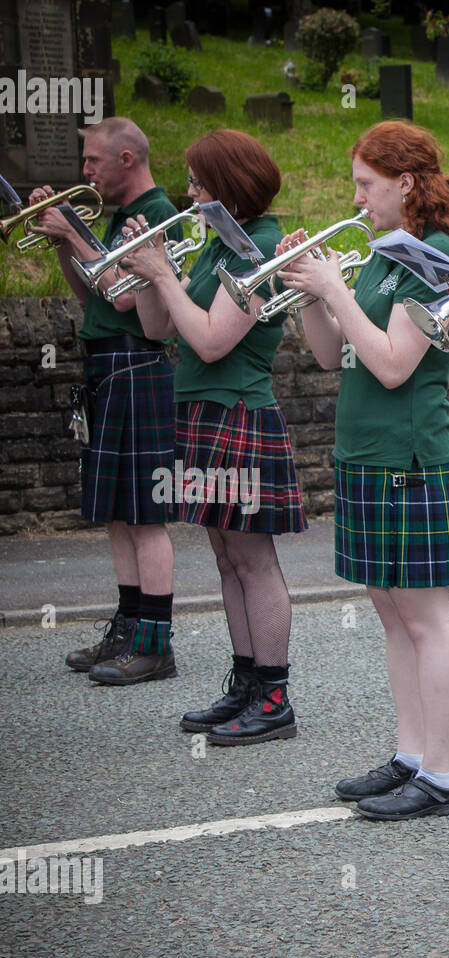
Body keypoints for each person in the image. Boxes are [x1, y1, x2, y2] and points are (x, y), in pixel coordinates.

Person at [278, 121, 449, 817]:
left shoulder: (440, 252)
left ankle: (444, 776)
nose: (357, 197)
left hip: (408, 454)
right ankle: (411, 754)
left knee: (425, 618)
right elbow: (336, 355)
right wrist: (310, 290)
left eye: (366, 185)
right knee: (392, 616)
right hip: (365, 452)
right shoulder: (386, 253)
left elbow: (395, 364)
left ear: (406, 183)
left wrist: (334, 287)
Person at [121, 128, 305, 744]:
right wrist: (151, 275)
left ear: (229, 184)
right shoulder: (217, 244)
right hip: (200, 411)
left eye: (198, 181)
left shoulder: (260, 251)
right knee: (225, 556)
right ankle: (247, 682)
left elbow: (210, 339)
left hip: (240, 413)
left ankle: (275, 695)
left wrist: (164, 277)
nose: (190, 192)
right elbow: (157, 327)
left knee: (253, 557)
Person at [29, 117, 178, 683]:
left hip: (136, 361)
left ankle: (155, 641)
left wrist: (75, 233)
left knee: (143, 512)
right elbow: (88, 290)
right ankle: (127, 625)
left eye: (92, 161)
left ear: (125, 159)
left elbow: (122, 299)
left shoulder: (157, 213)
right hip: (106, 366)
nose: (83, 171)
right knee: (115, 511)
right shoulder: (112, 219)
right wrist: (64, 244)